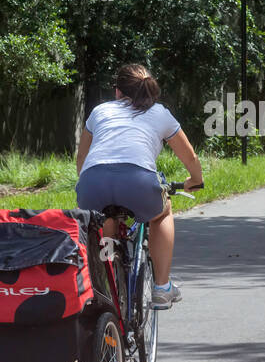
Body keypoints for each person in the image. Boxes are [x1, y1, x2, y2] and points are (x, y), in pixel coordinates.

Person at [75, 64, 203, 309]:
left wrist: (89, 184)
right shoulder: (160, 113)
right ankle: (162, 288)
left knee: (105, 221)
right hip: (138, 182)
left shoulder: (100, 111)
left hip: (93, 182)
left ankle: (106, 287)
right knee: (162, 212)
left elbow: (82, 159)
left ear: (117, 91)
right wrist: (195, 181)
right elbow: (190, 158)